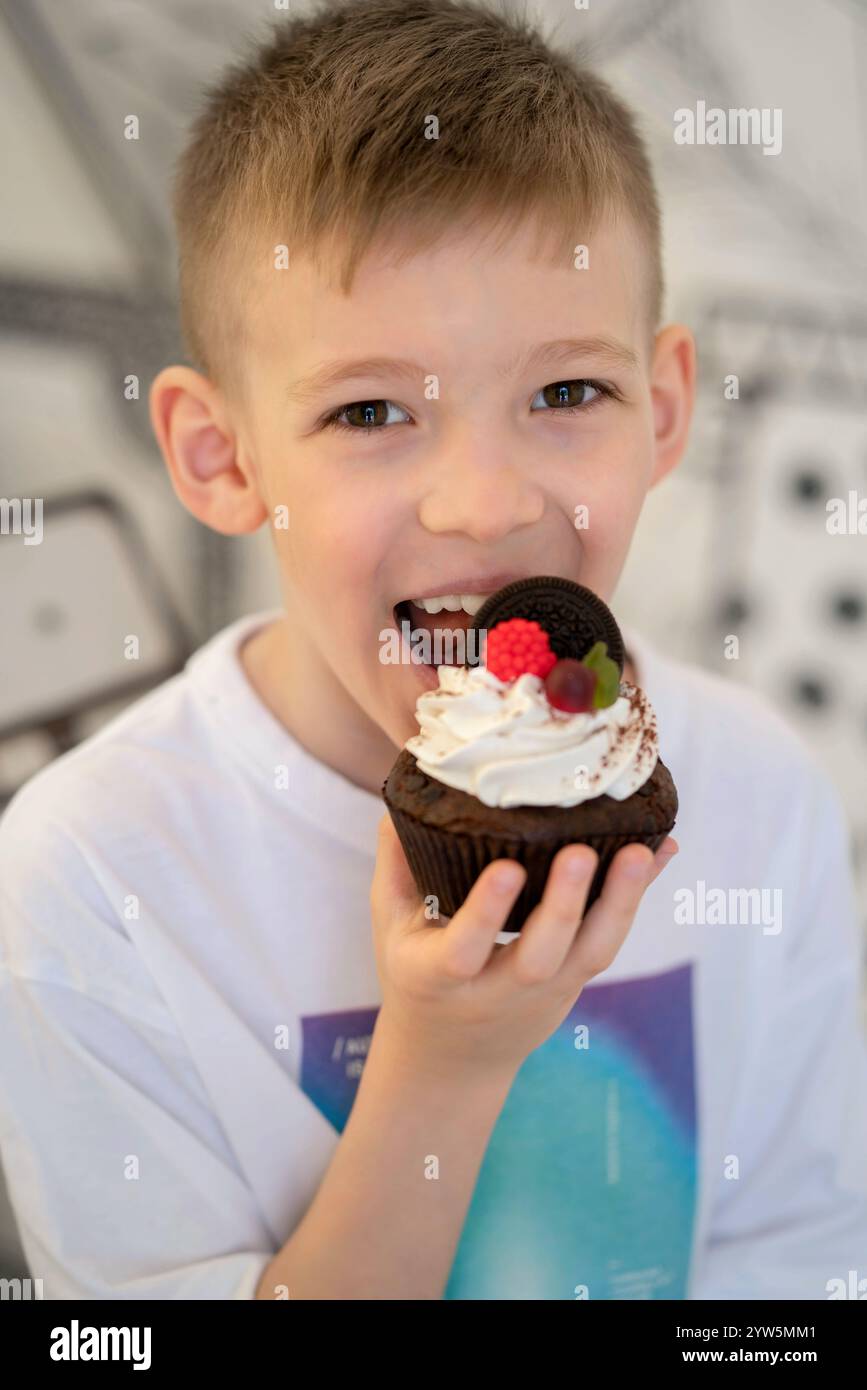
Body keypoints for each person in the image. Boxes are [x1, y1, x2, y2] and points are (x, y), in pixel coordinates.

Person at [1, 0, 866, 1300]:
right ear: (222, 456)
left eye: (567, 393)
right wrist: (442, 1067)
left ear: (665, 409)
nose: (486, 502)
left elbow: (802, 1271)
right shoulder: (91, 874)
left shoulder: (761, 793)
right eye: (370, 410)